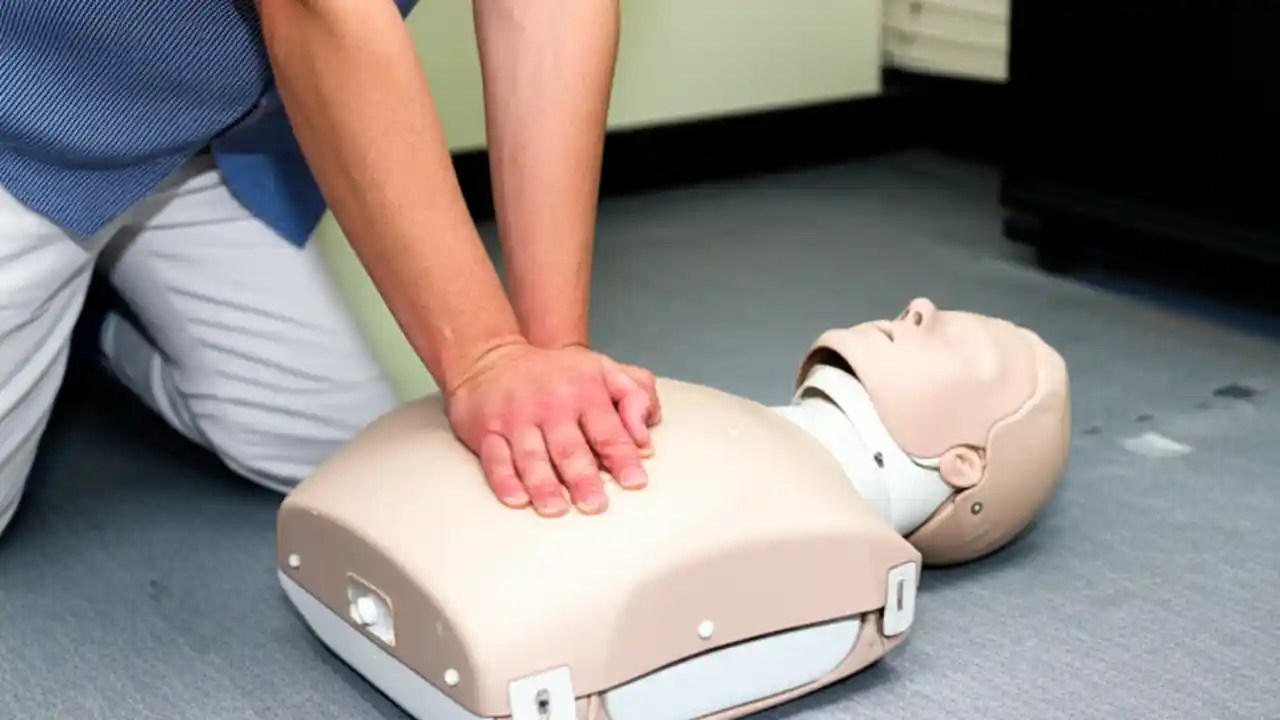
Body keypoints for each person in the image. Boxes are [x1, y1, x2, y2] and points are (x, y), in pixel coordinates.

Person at [0, 0, 662, 540]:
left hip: (196, 138)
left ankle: (93, 326)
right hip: (27, 114)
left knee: (339, 453)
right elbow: (319, 8)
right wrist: (487, 359)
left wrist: (548, 365)